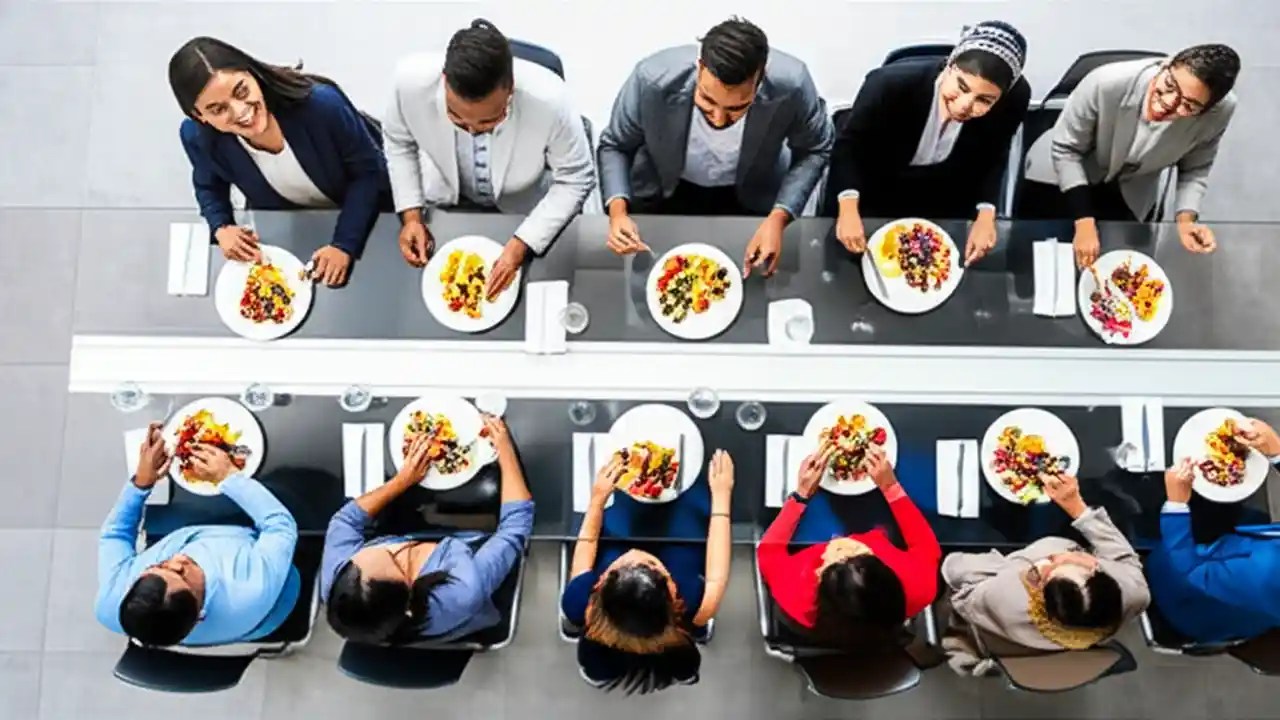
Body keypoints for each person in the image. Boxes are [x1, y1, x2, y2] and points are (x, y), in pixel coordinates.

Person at [597, 17, 834, 277]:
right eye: (707, 100)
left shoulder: (794, 85)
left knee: (751, 287)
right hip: (665, 192)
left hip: (751, 195)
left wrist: (779, 217)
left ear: (760, 79)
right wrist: (618, 212)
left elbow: (816, 148)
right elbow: (615, 145)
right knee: (655, 282)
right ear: (699, 69)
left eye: (736, 108)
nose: (719, 119)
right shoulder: (651, 80)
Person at [385, 19, 596, 299]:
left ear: (509, 89)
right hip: (449, 203)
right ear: (445, 81)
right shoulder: (408, 82)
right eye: (457, 118)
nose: (472, 130)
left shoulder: (550, 99)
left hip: (526, 209)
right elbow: (399, 142)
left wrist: (522, 245)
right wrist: (411, 215)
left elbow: (576, 177)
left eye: (488, 122)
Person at [169, 37, 392, 286]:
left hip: (370, 211)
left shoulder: (321, 105)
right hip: (297, 222)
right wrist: (221, 226)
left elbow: (369, 173)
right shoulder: (197, 137)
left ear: (252, 75)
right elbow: (209, 185)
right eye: (218, 109)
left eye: (241, 91)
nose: (240, 111)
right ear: (200, 116)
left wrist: (344, 243)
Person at [826, 21, 1031, 267]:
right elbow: (849, 147)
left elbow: (995, 154)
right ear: (949, 65)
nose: (965, 105)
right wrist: (848, 207)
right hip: (876, 189)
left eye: (984, 100)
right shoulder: (888, 84)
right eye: (961, 86)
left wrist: (987, 213)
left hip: (946, 196)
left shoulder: (1015, 99)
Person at [1021, 44, 1240, 268]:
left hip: (1131, 186)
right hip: (1061, 175)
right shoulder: (1105, 82)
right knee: (1040, 262)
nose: (1167, 103)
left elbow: (1195, 167)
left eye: (1187, 105)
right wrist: (1085, 223)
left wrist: (1185, 221)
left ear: (1208, 109)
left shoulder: (1221, 111)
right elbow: (1066, 150)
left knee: (1118, 269)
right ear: (1166, 66)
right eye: (1169, 85)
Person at [320, 415, 534, 643]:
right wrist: (504, 448)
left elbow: (345, 522)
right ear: (408, 584)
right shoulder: (461, 591)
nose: (392, 548)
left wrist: (402, 480)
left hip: (419, 527)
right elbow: (515, 525)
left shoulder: (342, 583)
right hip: (474, 548)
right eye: (394, 557)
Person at [96, 423, 300, 646]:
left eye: (160, 565)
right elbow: (280, 525)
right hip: (248, 545)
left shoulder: (111, 603)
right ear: (200, 614)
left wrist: (141, 483)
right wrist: (228, 477)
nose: (178, 558)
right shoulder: (251, 589)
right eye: (182, 574)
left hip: (191, 530)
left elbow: (115, 535)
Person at [560, 451, 735, 693]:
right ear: (674, 598)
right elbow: (717, 572)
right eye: (653, 568)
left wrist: (598, 499)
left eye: (620, 569)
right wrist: (722, 496)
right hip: (682, 536)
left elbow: (587, 545)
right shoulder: (697, 607)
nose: (637, 555)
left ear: (599, 585)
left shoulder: (580, 602)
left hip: (620, 530)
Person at [940, 473, 1149, 675]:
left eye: (1044, 576)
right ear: (1093, 563)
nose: (1044, 563)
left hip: (1008, 559)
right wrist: (1078, 509)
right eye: (1060, 562)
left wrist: (1015, 565)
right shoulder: (1134, 593)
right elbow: (1126, 560)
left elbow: (955, 573)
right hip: (1057, 540)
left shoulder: (1006, 596)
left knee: (961, 530)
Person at [757, 445, 941, 644]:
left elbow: (769, 552)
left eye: (835, 560)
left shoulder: (795, 595)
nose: (843, 543)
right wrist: (892, 488)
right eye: (861, 554)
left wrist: (800, 495)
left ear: (819, 579)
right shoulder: (919, 586)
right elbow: (926, 547)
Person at [1146, 419, 1280, 643]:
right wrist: (1276, 452)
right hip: (1246, 559)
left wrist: (1176, 505)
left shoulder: (1265, 574)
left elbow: (1190, 570)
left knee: (1177, 510)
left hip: (1187, 596)